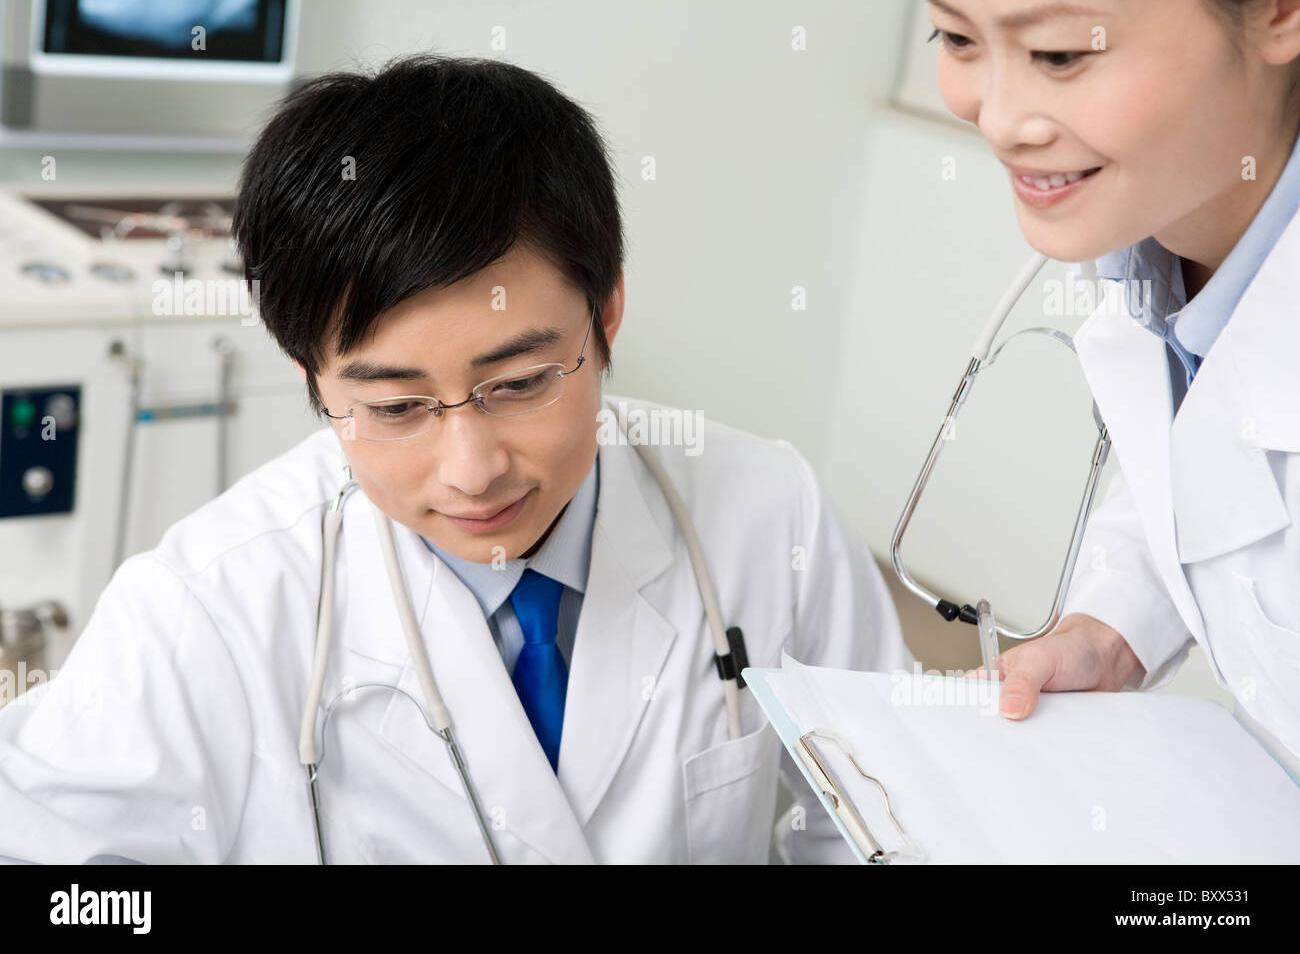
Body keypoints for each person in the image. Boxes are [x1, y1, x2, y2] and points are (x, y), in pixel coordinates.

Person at [0, 54, 909, 863]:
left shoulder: (769, 515)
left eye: (519, 383)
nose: (472, 470)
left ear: (606, 313)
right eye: (395, 408)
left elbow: (893, 825)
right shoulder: (210, 602)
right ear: (312, 378)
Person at [927, 0, 1300, 772]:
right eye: (956, 37)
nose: (998, 120)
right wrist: (1108, 633)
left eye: (1060, 54)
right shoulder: (1161, 250)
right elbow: (1210, 464)